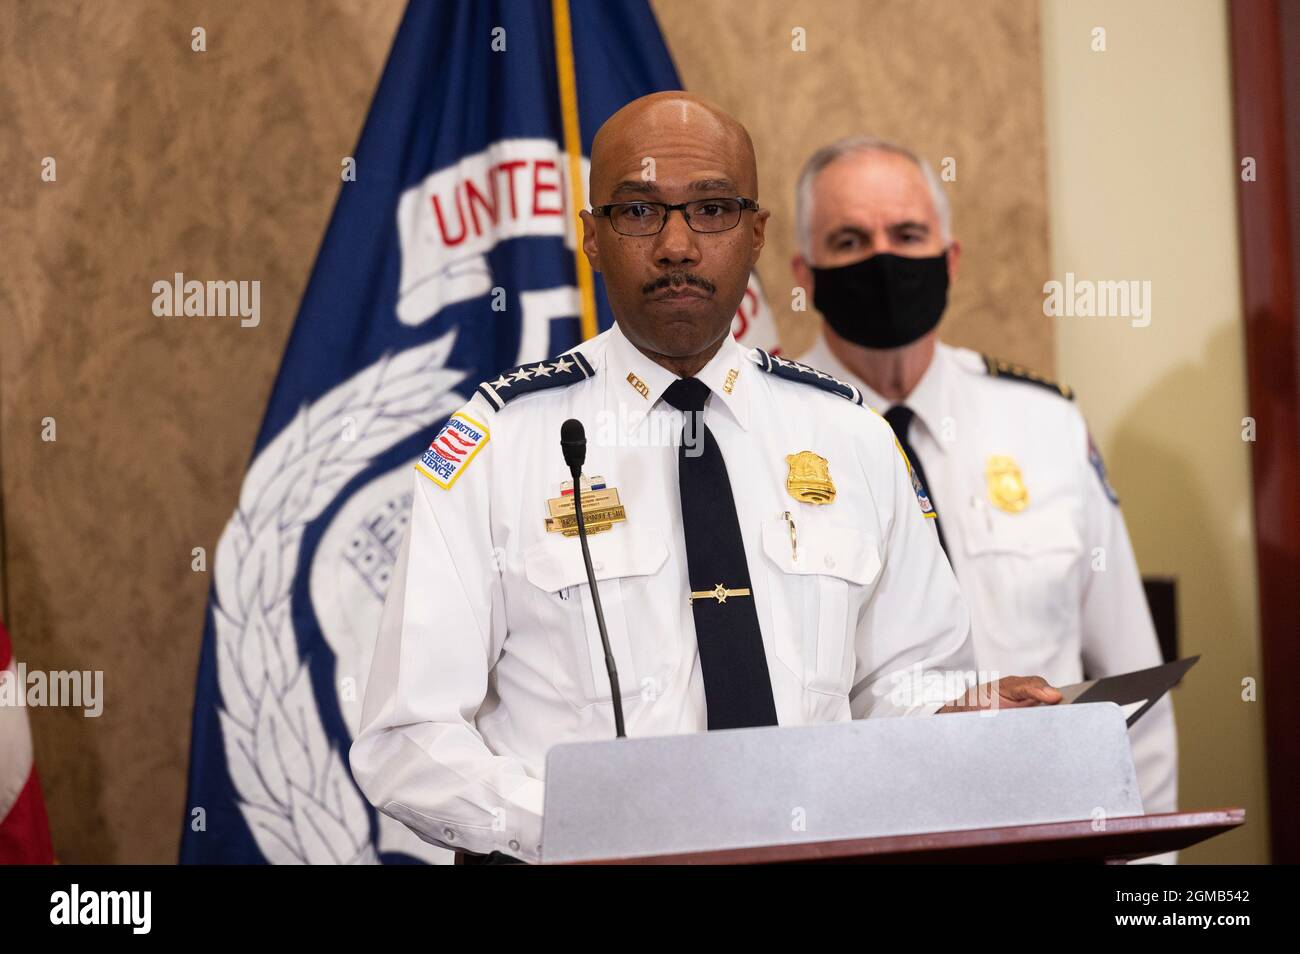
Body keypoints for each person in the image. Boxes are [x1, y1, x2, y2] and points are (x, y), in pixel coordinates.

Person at [350, 95, 1060, 865]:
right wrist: (582, 826)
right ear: (590, 237)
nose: (678, 245)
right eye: (638, 212)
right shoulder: (499, 442)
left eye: (713, 209)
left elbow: (899, 682)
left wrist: (967, 715)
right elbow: (408, 737)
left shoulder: (849, 436)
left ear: (756, 235)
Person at [792, 135, 1178, 844]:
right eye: (849, 240)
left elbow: (1134, 683)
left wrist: (1142, 883)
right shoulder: (768, 433)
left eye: (907, 234)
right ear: (805, 274)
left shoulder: (1046, 424)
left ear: (950, 257)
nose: (883, 258)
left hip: (1055, 838)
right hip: (865, 842)